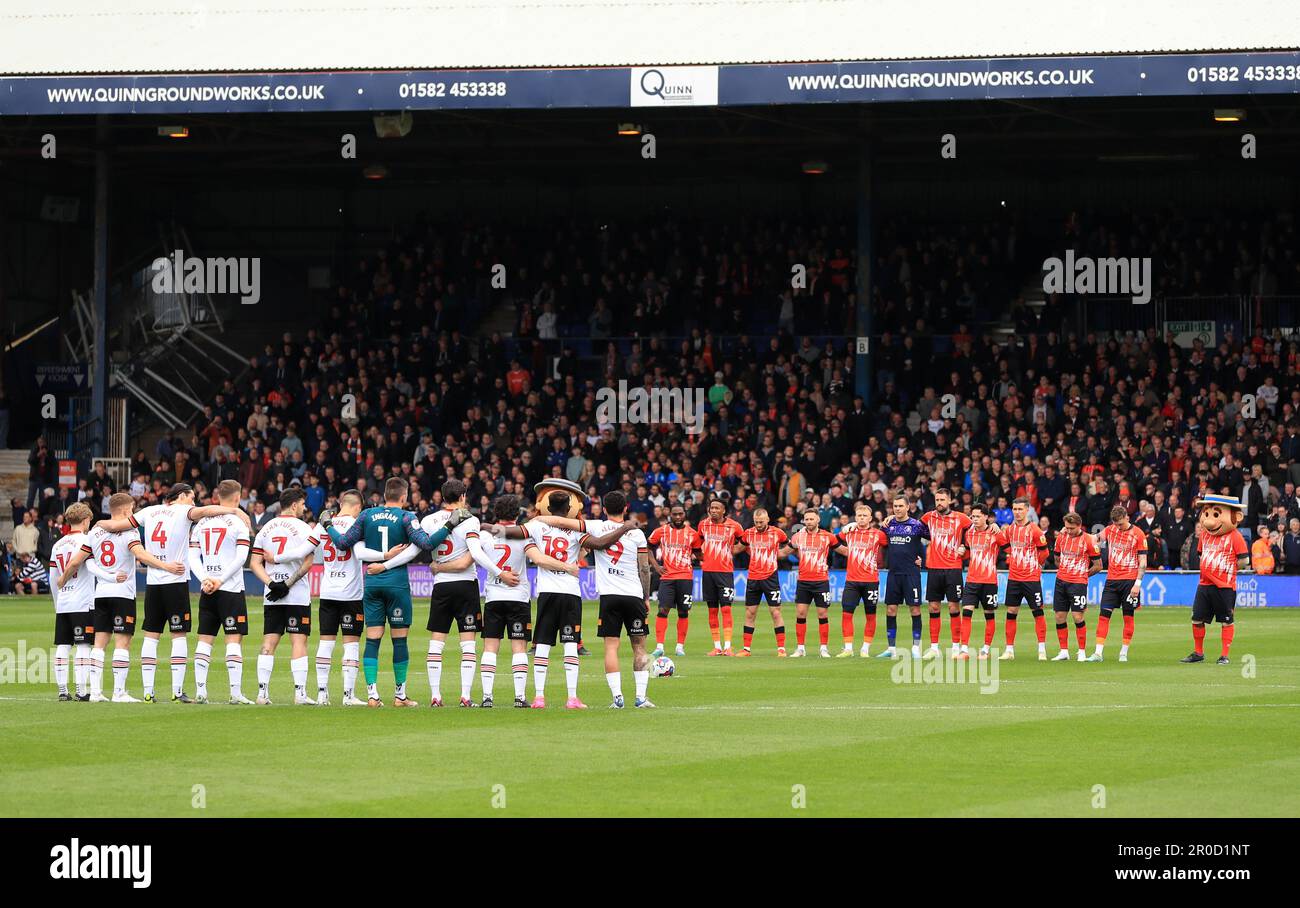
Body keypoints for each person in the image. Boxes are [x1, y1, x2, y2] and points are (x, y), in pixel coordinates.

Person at [323, 476, 462, 707]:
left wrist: (328, 525)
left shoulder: (367, 515)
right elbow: (426, 544)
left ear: (385, 495)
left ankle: (372, 695)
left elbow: (344, 542)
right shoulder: (407, 517)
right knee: (399, 641)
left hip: (373, 583)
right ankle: (400, 696)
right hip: (396, 584)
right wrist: (449, 525)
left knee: (372, 639)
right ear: (405, 496)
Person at [491, 488, 632, 709]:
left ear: (548, 508)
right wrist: (624, 528)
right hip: (570, 593)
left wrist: (488, 527)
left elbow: (510, 533)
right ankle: (572, 697)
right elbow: (600, 544)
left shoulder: (537, 526)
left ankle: (539, 697)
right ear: (568, 509)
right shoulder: (575, 531)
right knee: (570, 645)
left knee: (543, 645)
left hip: (547, 592)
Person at [125, 482, 249, 703]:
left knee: (152, 636)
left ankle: (149, 692)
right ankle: (179, 691)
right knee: (180, 636)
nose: (194, 502)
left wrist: (99, 526)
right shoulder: (189, 512)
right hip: (181, 581)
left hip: (156, 583)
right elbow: (205, 512)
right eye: (192, 498)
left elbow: (124, 524)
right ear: (181, 496)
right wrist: (233, 510)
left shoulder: (150, 511)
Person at [57, 492, 186, 702]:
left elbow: (75, 562)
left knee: (99, 644)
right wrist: (167, 566)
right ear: (126, 510)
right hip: (122, 594)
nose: (133, 511)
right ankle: (119, 692)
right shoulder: (130, 531)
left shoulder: (95, 533)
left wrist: (62, 580)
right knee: (122, 643)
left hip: (101, 594)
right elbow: (141, 555)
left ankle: (96, 692)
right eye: (132, 508)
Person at [541, 490, 654, 708]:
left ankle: (617, 698)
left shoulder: (595, 526)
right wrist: (646, 597)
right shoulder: (637, 534)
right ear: (626, 508)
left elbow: (559, 520)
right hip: (633, 596)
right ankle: (640, 697)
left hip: (609, 597)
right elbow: (644, 568)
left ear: (604, 509)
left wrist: (538, 519)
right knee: (639, 647)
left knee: (611, 647)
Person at [477, 495, 579, 708]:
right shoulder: (524, 536)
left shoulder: (485, 535)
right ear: (517, 514)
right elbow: (540, 559)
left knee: (490, 647)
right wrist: (568, 566)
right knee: (519, 648)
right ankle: (520, 697)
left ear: (496, 512)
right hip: (518, 598)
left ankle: (487, 697)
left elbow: (477, 557)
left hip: (494, 597)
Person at [188, 480, 254, 704]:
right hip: (230, 588)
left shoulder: (202, 522)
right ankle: (235, 694)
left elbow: (192, 557)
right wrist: (220, 579)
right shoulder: (238, 521)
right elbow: (241, 557)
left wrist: (205, 579)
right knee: (233, 640)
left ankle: (200, 691)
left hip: (208, 588)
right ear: (237, 497)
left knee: (204, 640)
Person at [249, 487, 318, 705]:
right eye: (303, 504)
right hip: (296, 594)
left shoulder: (266, 528)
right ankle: (300, 694)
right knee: (299, 641)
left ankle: (262, 693)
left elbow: (254, 563)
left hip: (272, 595)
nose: (304, 508)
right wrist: (288, 584)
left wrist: (272, 584)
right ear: (295, 504)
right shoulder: (304, 528)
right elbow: (308, 562)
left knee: (269, 641)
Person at [309, 488, 367, 705]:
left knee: (326, 642)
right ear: (357, 507)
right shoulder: (358, 525)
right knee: (350, 644)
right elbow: (361, 553)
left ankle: (322, 694)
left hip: (328, 591)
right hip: (351, 595)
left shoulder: (323, 525)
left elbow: (304, 549)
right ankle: (348, 695)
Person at [1181, 495, 1249, 665]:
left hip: (1225, 586)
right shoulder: (1204, 535)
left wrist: (1227, 571)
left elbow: (1244, 561)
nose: (1210, 521)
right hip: (1204, 584)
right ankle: (1198, 652)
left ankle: (1224, 655)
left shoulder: (1235, 536)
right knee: (1197, 619)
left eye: (1216, 515)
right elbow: (1201, 554)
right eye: (1207, 514)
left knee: (1226, 621)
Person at [49, 503, 97, 701]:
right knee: (84, 645)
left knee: (63, 645)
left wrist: (57, 603)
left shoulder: (57, 545)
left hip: (64, 602)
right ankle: (82, 690)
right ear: (86, 520)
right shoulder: (87, 540)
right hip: (83, 601)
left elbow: (53, 578)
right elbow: (93, 568)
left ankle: (62, 691)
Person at [780, 508, 843, 658]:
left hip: (821, 581)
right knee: (801, 614)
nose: (808, 522)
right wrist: (762, 549)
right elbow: (783, 553)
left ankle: (823, 649)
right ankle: (800, 648)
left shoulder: (828, 537)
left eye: (811, 519)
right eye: (806, 519)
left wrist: (860, 550)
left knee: (822, 614)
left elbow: (844, 551)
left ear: (818, 520)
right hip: (803, 581)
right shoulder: (797, 537)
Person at [1088, 505, 1147, 663]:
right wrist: (1075, 533)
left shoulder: (1138, 534)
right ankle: (1098, 653)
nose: (1118, 527)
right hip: (1112, 580)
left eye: (1120, 524)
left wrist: (1138, 584)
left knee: (1128, 617)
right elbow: (1094, 539)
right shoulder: (1110, 529)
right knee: (1103, 615)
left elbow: (1143, 562)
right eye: (1116, 524)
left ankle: (1123, 652)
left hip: (1130, 581)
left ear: (1127, 517)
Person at [920, 488, 971, 657]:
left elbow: (976, 530)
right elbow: (912, 527)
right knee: (933, 607)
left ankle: (955, 646)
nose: (939, 503)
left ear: (950, 500)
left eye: (942, 500)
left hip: (953, 569)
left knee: (953, 606)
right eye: (937, 500)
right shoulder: (929, 517)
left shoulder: (961, 518)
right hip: (934, 568)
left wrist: (966, 546)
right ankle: (934, 648)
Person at [877, 494, 929, 660]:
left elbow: (934, 539)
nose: (897, 508)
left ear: (908, 507)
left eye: (900, 506)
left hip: (911, 574)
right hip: (893, 574)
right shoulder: (888, 524)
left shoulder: (916, 525)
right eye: (895, 506)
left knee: (914, 608)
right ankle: (891, 648)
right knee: (891, 609)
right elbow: (876, 539)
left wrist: (925, 560)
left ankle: (916, 647)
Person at [834, 503, 888, 657]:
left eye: (864, 516)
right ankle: (848, 648)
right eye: (859, 515)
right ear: (855, 517)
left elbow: (894, 545)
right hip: (852, 580)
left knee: (870, 615)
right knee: (846, 614)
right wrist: (845, 551)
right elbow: (833, 542)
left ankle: (865, 649)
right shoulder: (849, 532)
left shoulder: (879, 535)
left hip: (871, 580)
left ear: (870, 518)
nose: (861, 518)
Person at [1000, 497, 1050, 661]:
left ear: (1027, 510)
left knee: (1037, 612)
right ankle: (1009, 650)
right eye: (1014, 509)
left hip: (1031, 578)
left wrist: (1038, 565)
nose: (1017, 512)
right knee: (1011, 612)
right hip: (1014, 577)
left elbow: (1044, 552)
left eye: (1020, 509)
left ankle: (1042, 649)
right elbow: (1005, 545)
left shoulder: (1035, 530)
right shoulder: (1009, 529)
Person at [693, 497, 744, 655]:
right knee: (712, 610)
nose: (713, 510)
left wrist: (733, 551)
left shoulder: (734, 526)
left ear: (724, 511)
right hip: (707, 572)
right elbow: (697, 544)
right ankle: (717, 646)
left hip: (725, 572)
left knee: (726, 609)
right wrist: (703, 558)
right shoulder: (703, 524)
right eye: (712, 507)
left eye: (717, 508)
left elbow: (744, 541)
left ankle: (728, 646)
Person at [734, 508, 788, 656]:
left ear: (768, 519)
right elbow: (740, 547)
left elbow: (789, 545)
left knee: (775, 612)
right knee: (750, 613)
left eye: (761, 522)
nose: (759, 524)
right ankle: (746, 649)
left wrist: (781, 554)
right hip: (753, 578)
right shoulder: (748, 533)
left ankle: (781, 649)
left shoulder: (778, 533)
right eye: (756, 522)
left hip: (771, 577)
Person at [1051, 512, 1100, 662]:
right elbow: (1056, 558)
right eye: (1067, 527)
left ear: (1079, 525)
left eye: (1072, 528)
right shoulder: (1061, 537)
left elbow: (1098, 566)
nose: (1069, 531)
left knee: (1077, 616)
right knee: (1059, 616)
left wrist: (1082, 575)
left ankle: (1082, 651)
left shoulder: (1089, 540)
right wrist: (1065, 570)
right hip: (1061, 581)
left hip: (1078, 583)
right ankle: (1064, 651)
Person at [648, 504, 695, 657]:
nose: (678, 517)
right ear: (670, 515)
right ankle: (659, 646)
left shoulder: (692, 534)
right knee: (663, 610)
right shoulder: (661, 531)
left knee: (683, 612)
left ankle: (680, 647)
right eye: (675, 514)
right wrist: (655, 566)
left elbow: (700, 552)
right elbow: (647, 547)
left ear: (685, 514)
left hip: (686, 577)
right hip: (667, 578)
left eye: (680, 514)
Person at [959, 503, 1005, 660]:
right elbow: (965, 552)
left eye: (978, 516)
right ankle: (963, 650)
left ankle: (985, 650)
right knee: (966, 613)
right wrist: (962, 552)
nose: (975, 519)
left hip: (989, 581)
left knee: (989, 615)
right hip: (972, 580)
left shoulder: (995, 533)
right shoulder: (969, 533)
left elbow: (1008, 550)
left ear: (986, 517)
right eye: (973, 516)